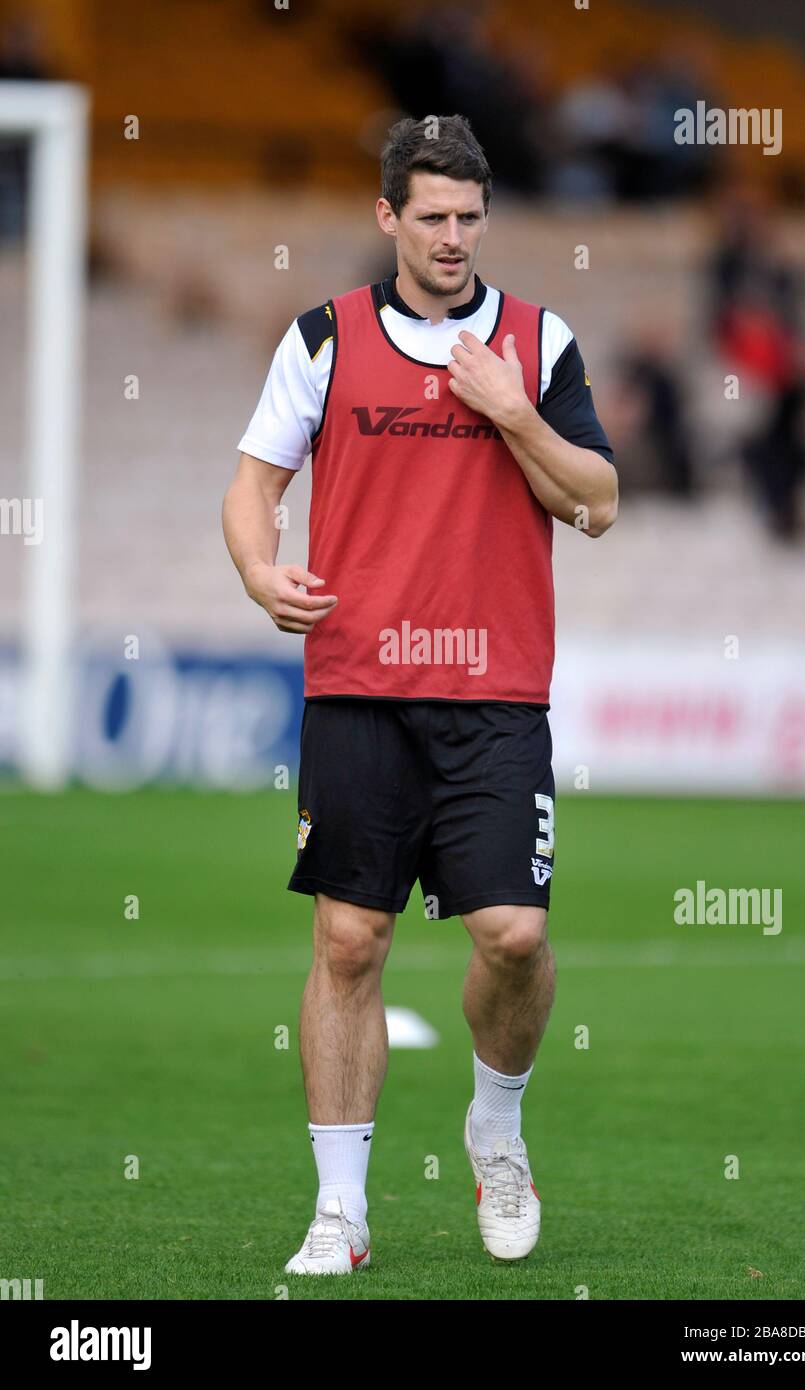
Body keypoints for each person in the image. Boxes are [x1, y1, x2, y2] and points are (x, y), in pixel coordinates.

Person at [222, 114, 617, 1275]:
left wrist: (507, 407)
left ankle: (495, 1124)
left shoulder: (536, 343)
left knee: (513, 933)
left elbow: (597, 497)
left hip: (494, 694)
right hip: (356, 687)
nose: (453, 237)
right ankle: (339, 1212)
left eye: (470, 217)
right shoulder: (323, 339)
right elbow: (251, 487)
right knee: (349, 942)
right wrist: (258, 569)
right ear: (387, 216)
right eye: (431, 216)